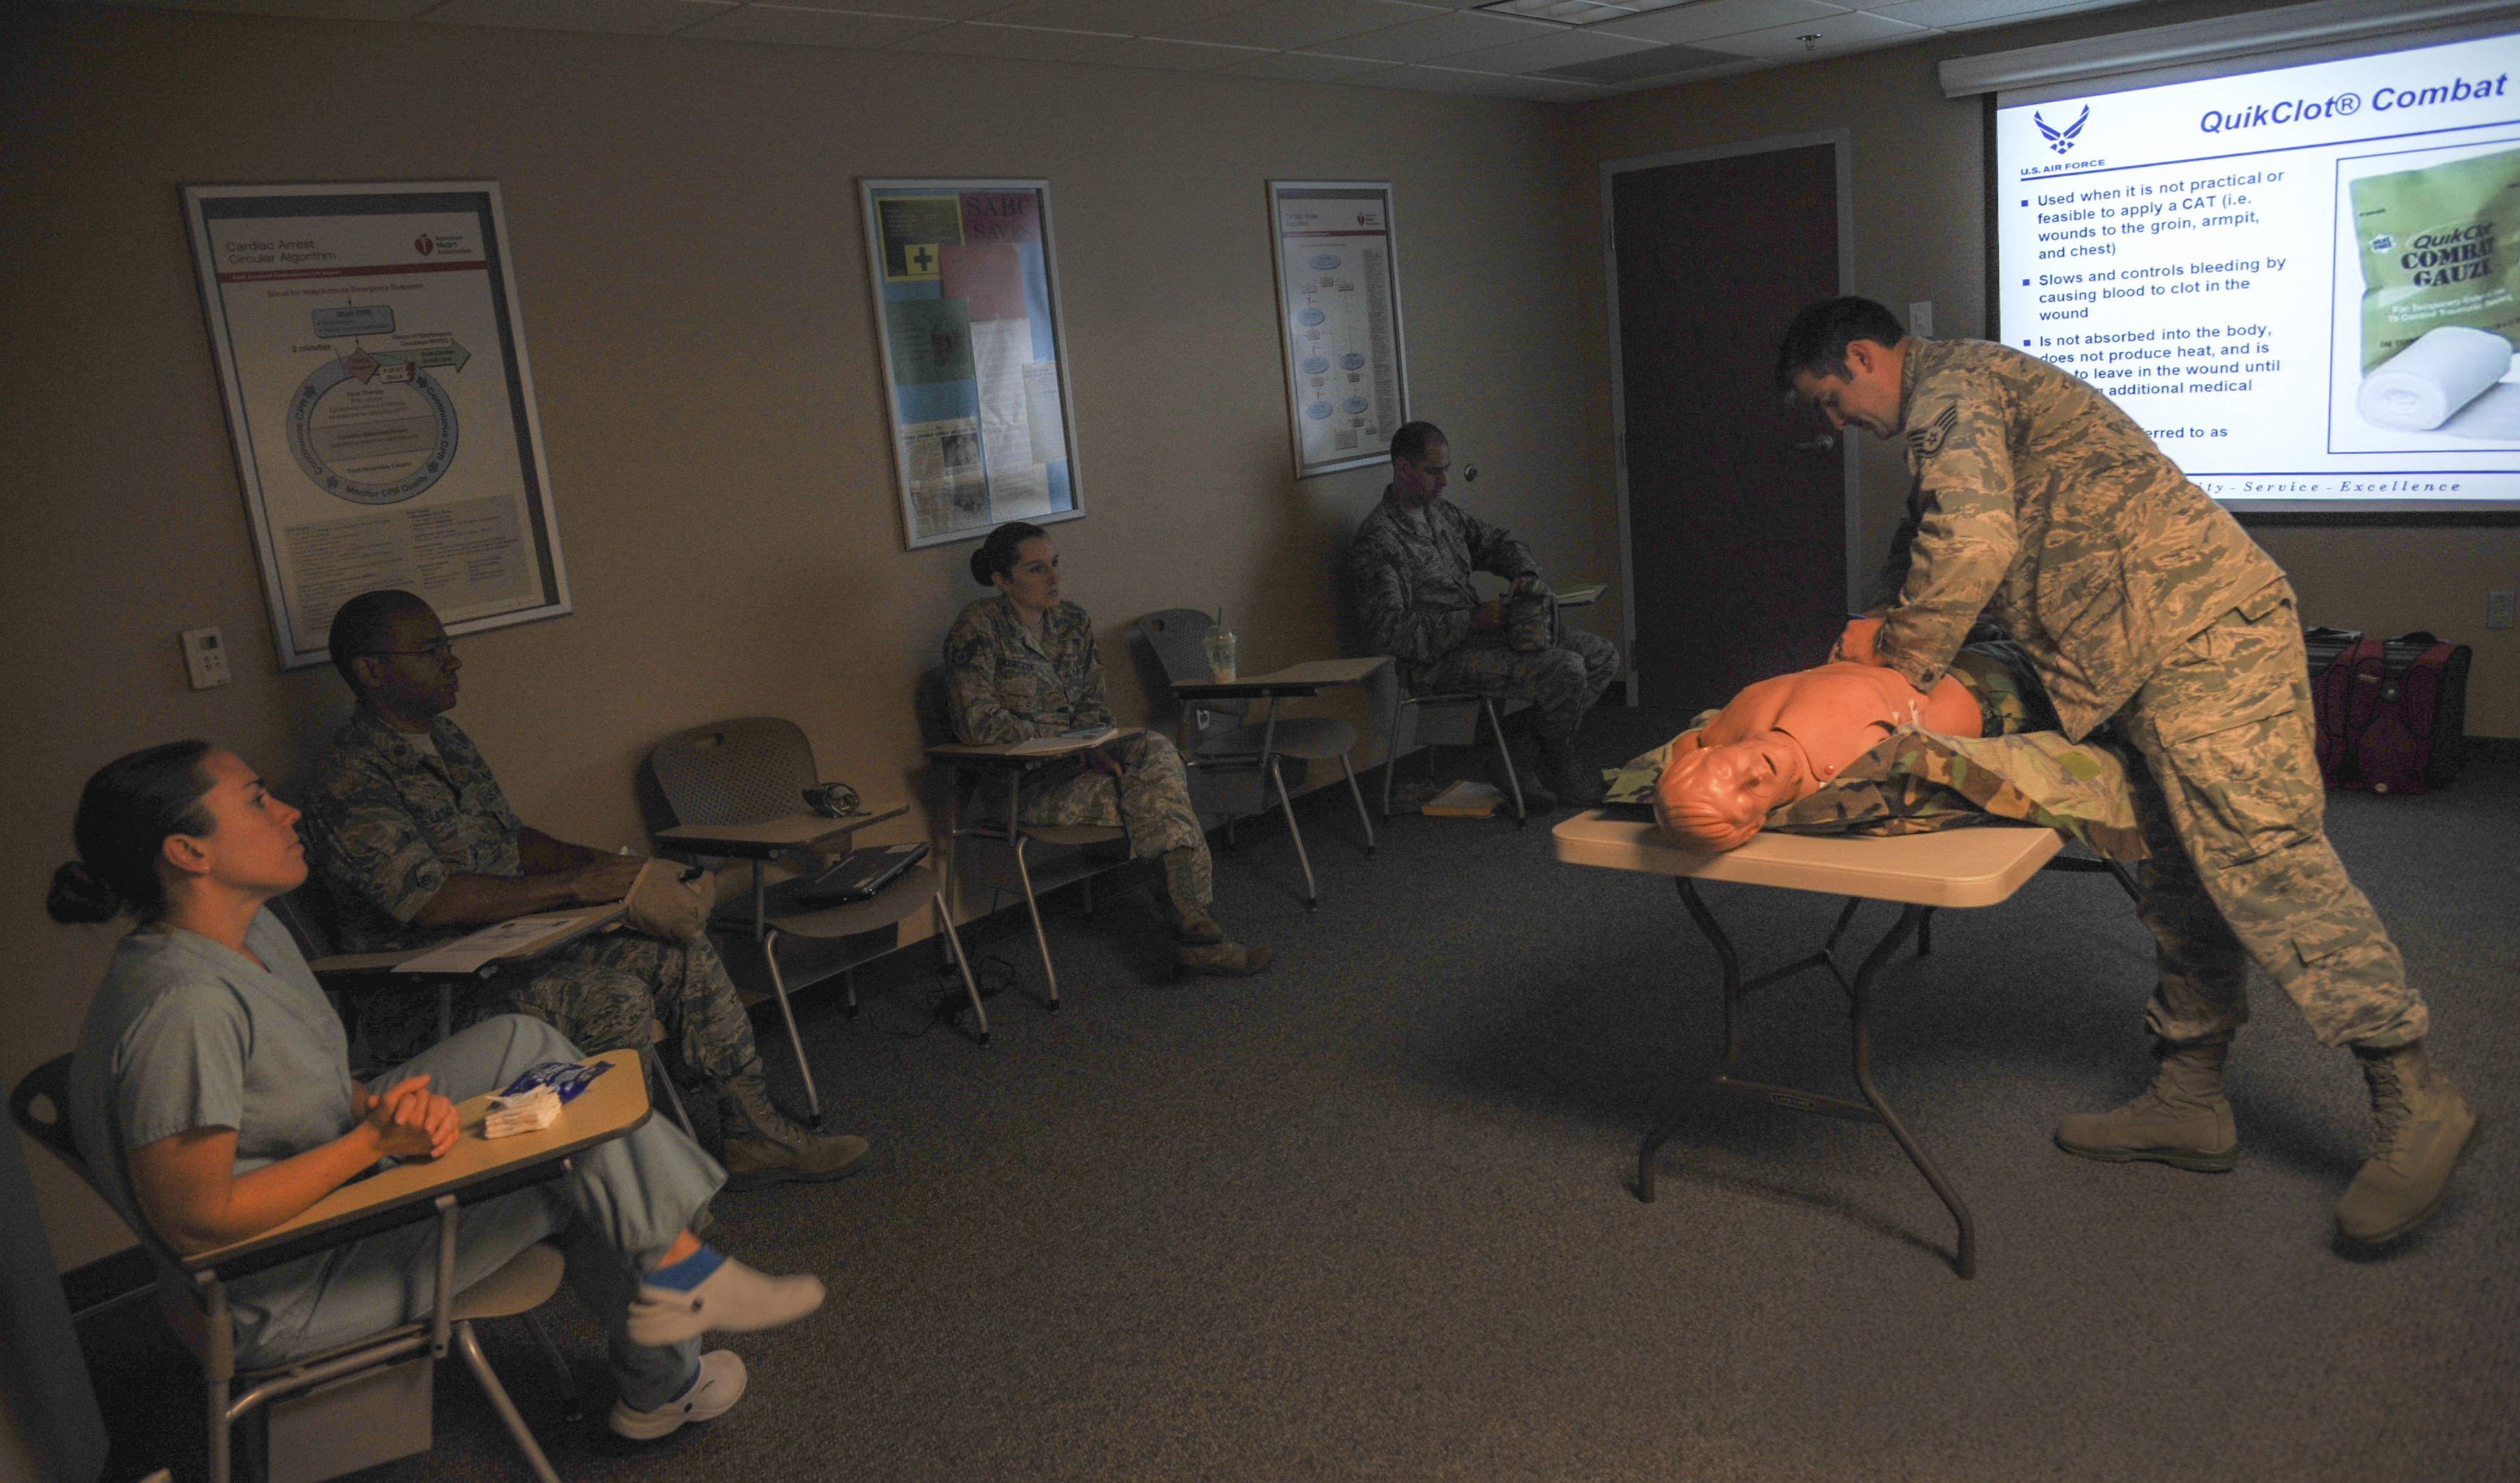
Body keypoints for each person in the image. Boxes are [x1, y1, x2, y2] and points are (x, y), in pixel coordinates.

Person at [1777, 295, 2477, 1246]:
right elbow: (1929, 548)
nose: (1835, 425)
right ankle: (2189, 1097)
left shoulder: (1953, 388)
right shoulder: (1961, 399)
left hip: (2200, 639)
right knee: (2180, 881)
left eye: (1828, 400)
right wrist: (1874, 625)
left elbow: (1972, 544)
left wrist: (1897, 672)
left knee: (2268, 866)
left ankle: (2414, 1096)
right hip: (2139, 663)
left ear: (1862, 357)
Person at [51, 741, 828, 1440]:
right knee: (587, 1161)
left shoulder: (249, 930)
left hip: (330, 1168)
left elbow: (302, 1074)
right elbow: (197, 1222)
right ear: (188, 851)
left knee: (523, 1041)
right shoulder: (183, 1007)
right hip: (287, 1282)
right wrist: (373, 1143)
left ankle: (672, 1251)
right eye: (256, 800)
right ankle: (668, 1369)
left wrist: (376, 1111)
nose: (287, 810)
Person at [298, 590, 866, 1189]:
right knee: (610, 998)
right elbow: (432, 902)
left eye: (448, 646)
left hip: (513, 949)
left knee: (679, 951)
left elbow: (514, 842)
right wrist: (574, 887)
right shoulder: (350, 777)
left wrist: (621, 873)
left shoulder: (446, 740)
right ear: (372, 670)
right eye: (432, 650)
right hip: (431, 990)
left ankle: (753, 1133)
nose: (452, 661)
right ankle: (626, 1183)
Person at [943, 522, 1269, 977]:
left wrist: (1091, 744)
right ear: (1002, 580)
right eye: (1035, 569)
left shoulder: (1071, 622)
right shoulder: (977, 628)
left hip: (1082, 761)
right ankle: (1197, 930)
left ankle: (1195, 928)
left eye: (1054, 564)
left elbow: (1094, 705)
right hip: (1024, 783)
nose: (1053, 578)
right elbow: (977, 723)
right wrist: (1062, 740)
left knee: (1157, 749)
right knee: (1157, 799)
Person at [1348, 421, 1620, 809]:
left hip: (1483, 635)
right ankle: (1553, 765)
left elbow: (1497, 543)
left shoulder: (1440, 514)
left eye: (1446, 470)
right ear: (1402, 468)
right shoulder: (1380, 540)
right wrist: (1474, 621)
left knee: (1602, 657)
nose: (1444, 481)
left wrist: (1523, 576)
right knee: (1567, 669)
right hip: (1435, 661)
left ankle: (1521, 758)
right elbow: (1391, 633)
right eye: (1433, 471)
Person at [1653, 645, 2033, 851]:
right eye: (1747, 798)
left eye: (1726, 773)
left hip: (1923, 648)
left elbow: (1685, 747)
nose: (1753, 774)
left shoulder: (1720, 732)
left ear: (1704, 756)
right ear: (1754, 826)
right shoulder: (1849, 773)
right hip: (1990, 689)